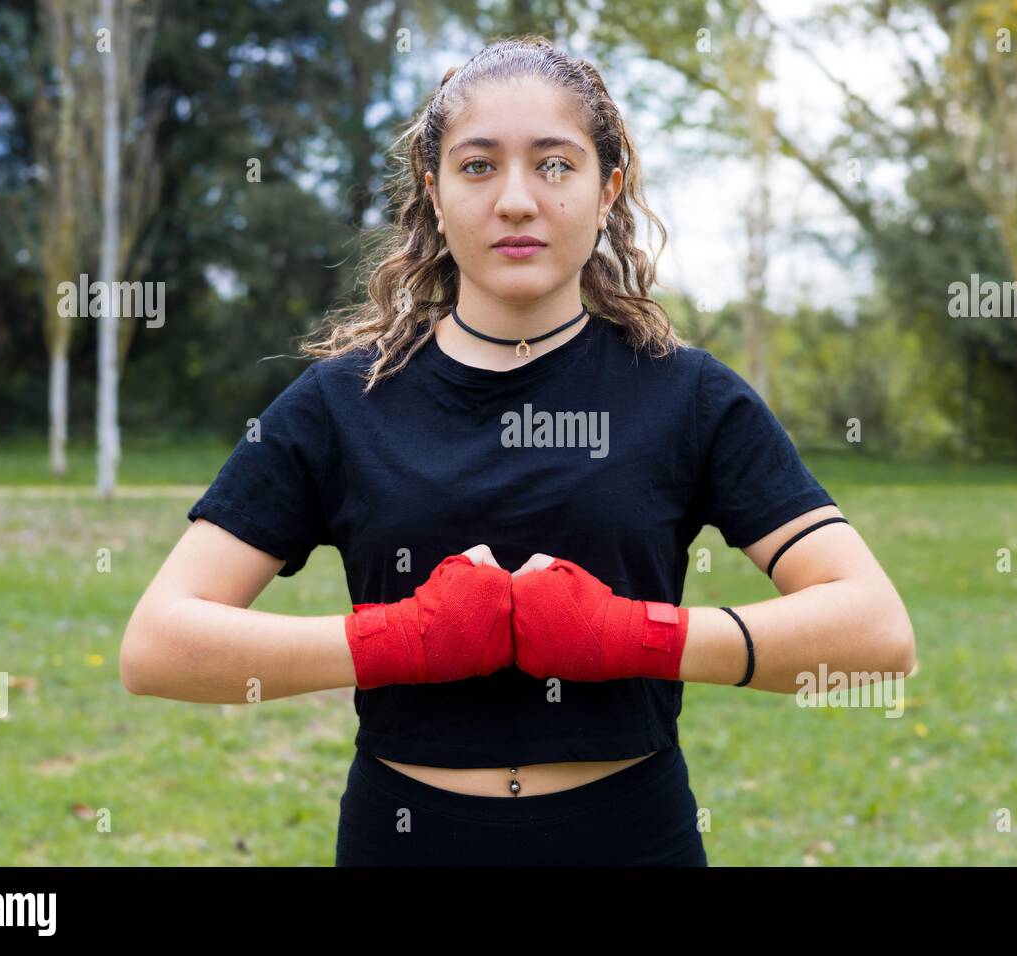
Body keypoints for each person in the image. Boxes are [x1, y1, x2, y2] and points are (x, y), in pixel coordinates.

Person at [119, 35, 916, 867]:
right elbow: (158, 646)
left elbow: (876, 634)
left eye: (555, 164)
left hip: (631, 839)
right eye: (477, 166)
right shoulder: (338, 404)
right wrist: (400, 642)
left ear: (608, 189)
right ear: (432, 192)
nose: (516, 200)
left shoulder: (689, 397)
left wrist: (634, 636)